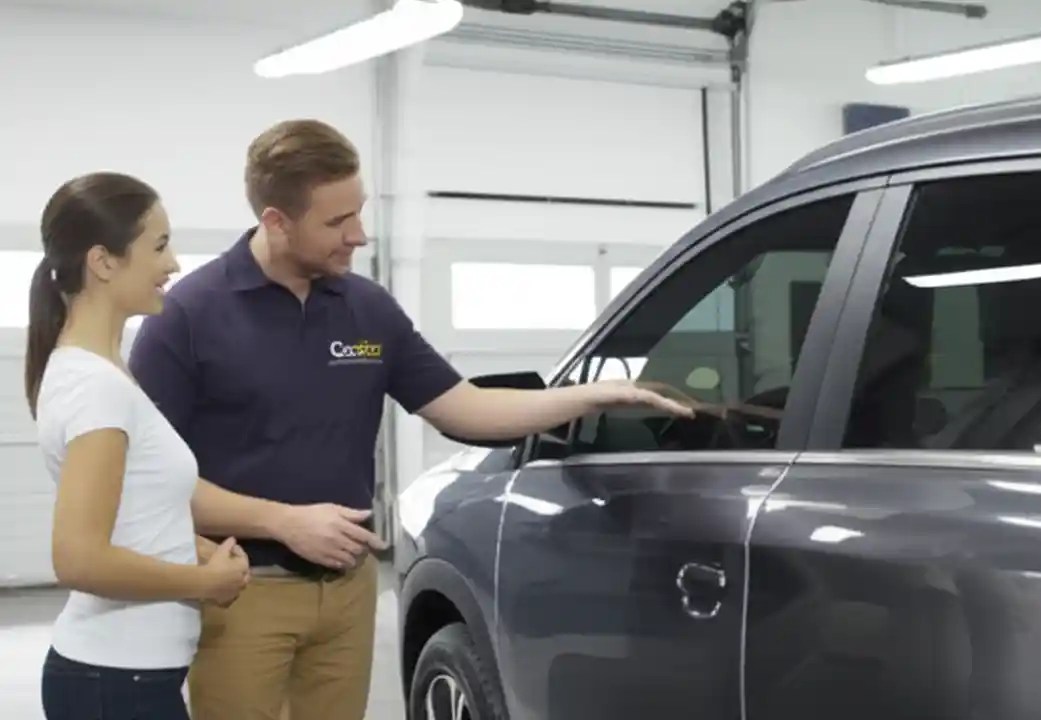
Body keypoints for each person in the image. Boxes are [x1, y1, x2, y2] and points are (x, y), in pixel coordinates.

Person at [126, 118, 693, 720]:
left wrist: (590, 395)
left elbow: (464, 405)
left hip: (348, 591)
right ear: (276, 221)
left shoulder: (366, 308)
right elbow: (147, 481)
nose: (359, 235)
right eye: (337, 222)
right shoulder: (185, 316)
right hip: (241, 592)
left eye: (359, 212)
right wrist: (283, 522)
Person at [27, 172, 252, 720]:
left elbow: (129, 507)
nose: (173, 264)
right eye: (158, 245)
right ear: (103, 262)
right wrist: (205, 582)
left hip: (123, 677)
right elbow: (79, 558)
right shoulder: (95, 386)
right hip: (114, 683)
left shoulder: (99, 371)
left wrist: (186, 545)